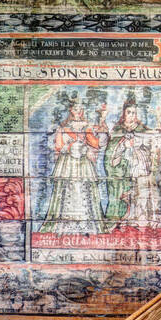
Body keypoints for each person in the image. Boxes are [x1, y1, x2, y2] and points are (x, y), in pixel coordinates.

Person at [41, 98, 108, 236]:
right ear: (71, 110)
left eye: (81, 109)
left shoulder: (86, 127)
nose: (79, 112)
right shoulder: (63, 127)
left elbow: (96, 144)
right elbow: (58, 146)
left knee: (83, 190)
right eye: (76, 109)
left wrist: (102, 122)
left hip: (83, 164)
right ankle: (66, 227)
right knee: (68, 191)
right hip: (68, 164)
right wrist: (71, 146)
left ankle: (85, 226)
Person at [103, 94, 161, 229]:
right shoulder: (118, 131)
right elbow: (109, 156)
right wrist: (124, 146)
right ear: (123, 114)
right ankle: (122, 219)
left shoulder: (143, 130)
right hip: (123, 172)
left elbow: (153, 146)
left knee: (142, 192)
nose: (132, 115)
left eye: (134, 113)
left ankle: (140, 219)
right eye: (129, 112)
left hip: (139, 169)